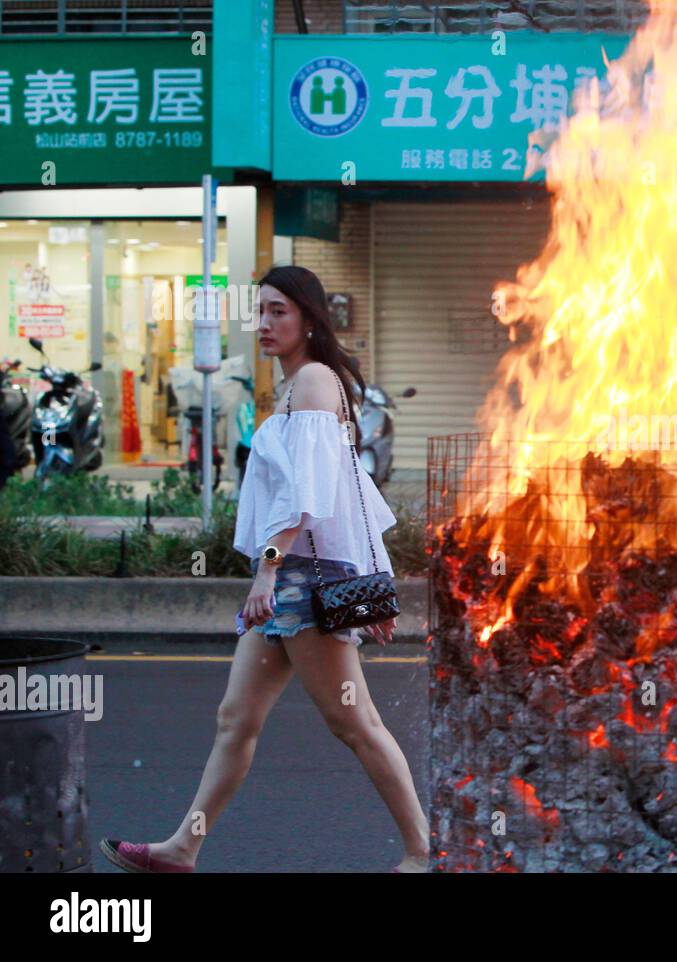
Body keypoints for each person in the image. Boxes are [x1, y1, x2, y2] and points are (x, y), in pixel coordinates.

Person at [100, 265, 430, 874]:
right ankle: (183, 847)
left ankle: (421, 851)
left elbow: (307, 496)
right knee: (236, 719)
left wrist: (269, 571)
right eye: (260, 311)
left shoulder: (311, 383)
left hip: (298, 578)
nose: (265, 323)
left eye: (279, 310)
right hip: (287, 579)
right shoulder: (293, 388)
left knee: (354, 722)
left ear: (308, 316)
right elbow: (348, 491)